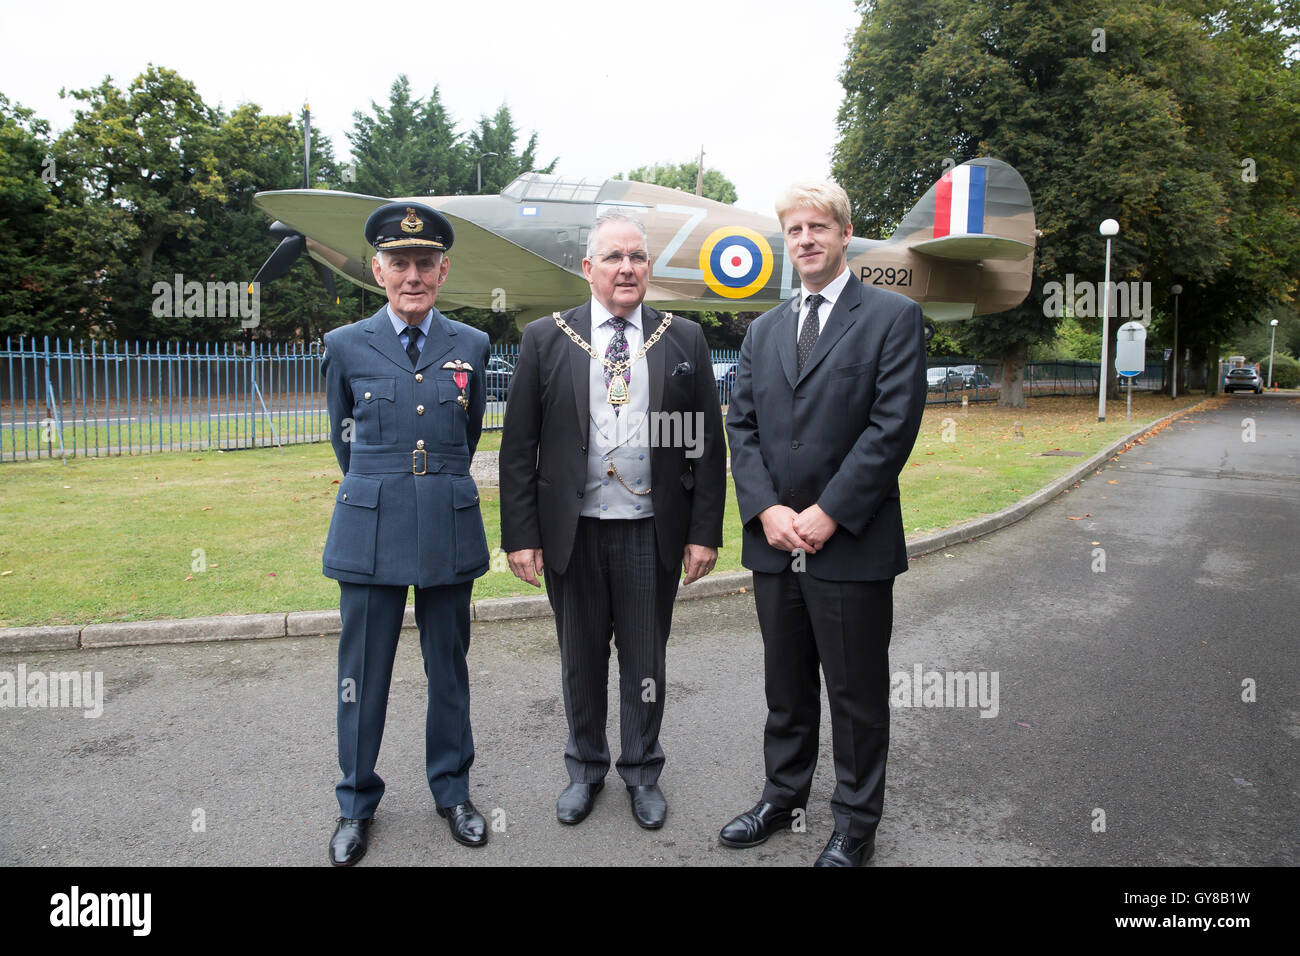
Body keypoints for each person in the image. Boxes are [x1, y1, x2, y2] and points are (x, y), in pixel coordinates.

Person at [720, 181, 927, 866]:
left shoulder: (892, 318)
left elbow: (891, 428)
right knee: (786, 687)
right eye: (794, 230)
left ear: (844, 234)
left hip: (851, 543)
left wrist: (829, 512)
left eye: (817, 226)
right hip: (776, 543)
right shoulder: (765, 330)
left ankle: (855, 824)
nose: (805, 239)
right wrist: (769, 509)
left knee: (856, 694)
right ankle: (783, 797)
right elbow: (741, 426)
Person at [499, 211, 725, 830]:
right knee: (580, 656)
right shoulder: (548, 338)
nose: (627, 268)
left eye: (638, 257)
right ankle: (585, 768)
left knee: (646, 658)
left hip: (651, 528)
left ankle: (642, 770)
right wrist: (521, 535)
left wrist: (704, 530)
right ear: (588, 268)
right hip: (573, 530)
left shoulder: (683, 338)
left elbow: (706, 443)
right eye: (614, 257)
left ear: (648, 268)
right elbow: (519, 447)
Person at [321, 201, 493, 865]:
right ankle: (355, 802)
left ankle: (452, 791)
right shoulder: (344, 345)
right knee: (362, 676)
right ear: (378, 269)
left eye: (425, 262)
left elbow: (468, 431)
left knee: (447, 669)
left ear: (443, 269)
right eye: (400, 262)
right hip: (369, 527)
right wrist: (380, 484)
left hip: (447, 525)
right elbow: (344, 437)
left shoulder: (472, 346)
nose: (412, 274)